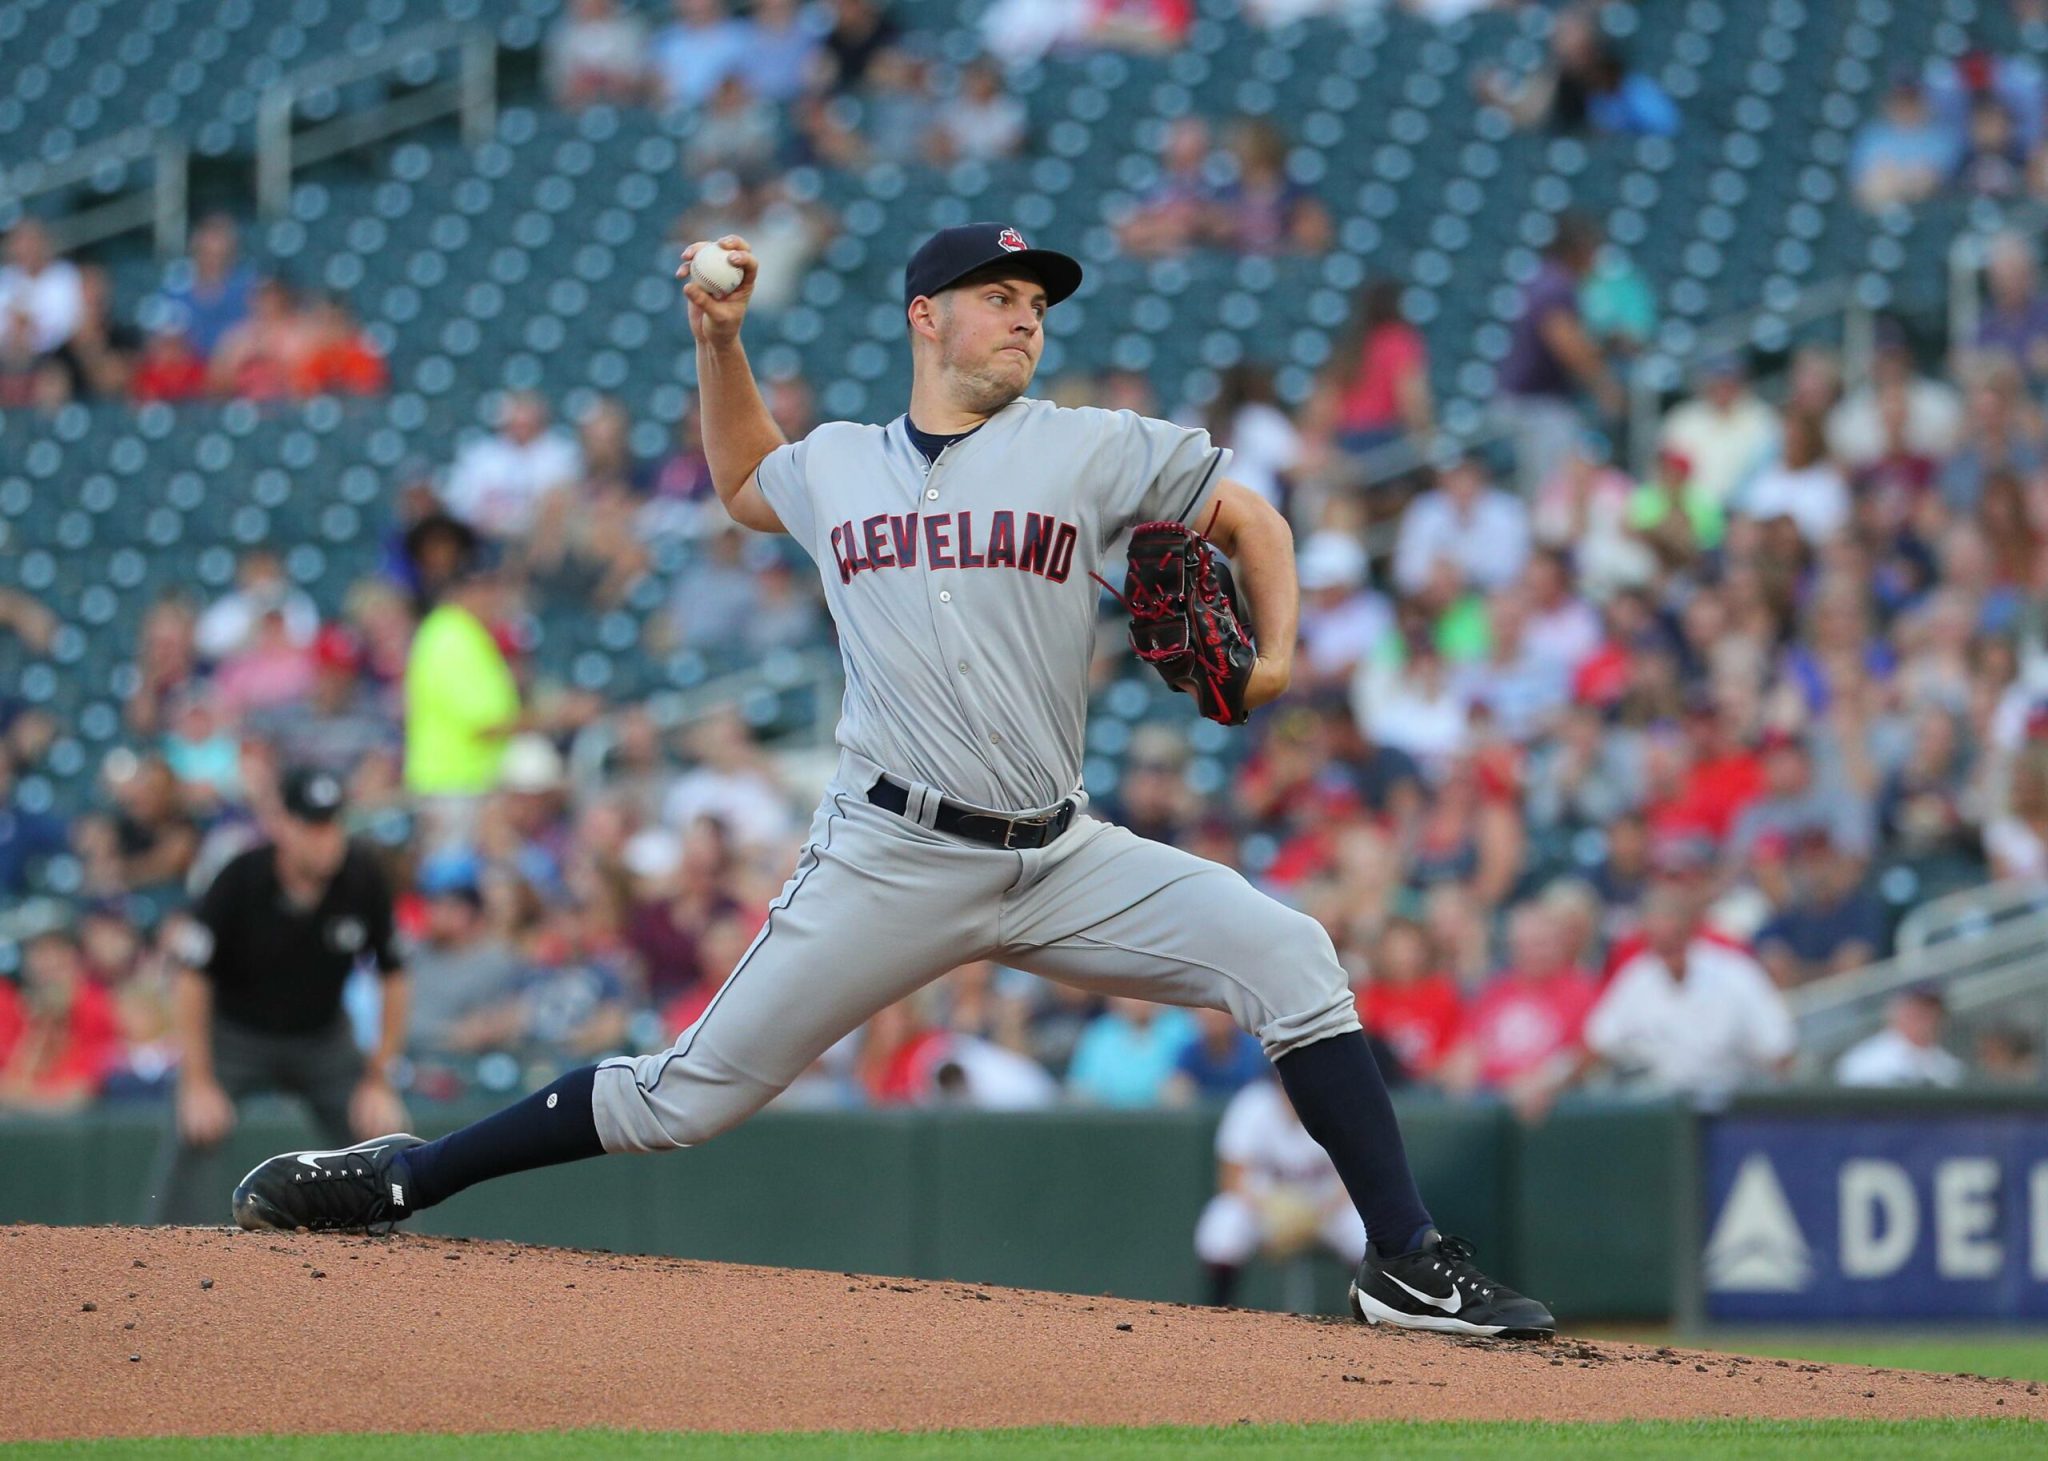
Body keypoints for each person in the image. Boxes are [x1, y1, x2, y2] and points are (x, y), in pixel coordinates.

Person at [231, 221, 1554, 1339]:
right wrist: (720, 342)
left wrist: (1269, 664)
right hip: (890, 855)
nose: (1026, 321)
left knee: (1292, 955)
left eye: (1037, 304)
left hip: (1057, 854)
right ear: (927, 317)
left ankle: (1401, 1256)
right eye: (1001, 298)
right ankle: (406, 1178)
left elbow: (1253, 517)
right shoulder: (838, 466)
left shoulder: (1090, 446)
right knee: (683, 1098)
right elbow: (746, 476)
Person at [147, 769, 411, 1224]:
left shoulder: (362, 876)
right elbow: (192, 979)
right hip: (236, 1037)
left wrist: (379, 1076)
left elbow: (395, 976)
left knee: (385, 1140)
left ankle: (407, 1269)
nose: (326, 839)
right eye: (312, 825)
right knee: (197, 1128)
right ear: (282, 825)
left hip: (323, 1039)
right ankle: (157, 1263)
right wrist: (198, 1080)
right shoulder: (239, 878)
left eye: (332, 824)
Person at [1583, 879, 1795, 1105]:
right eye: (1659, 940)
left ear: (1692, 930)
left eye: (1675, 936)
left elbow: (1780, 1049)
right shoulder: (1637, 977)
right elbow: (1598, 1042)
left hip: (1732, 1107)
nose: (1668, 948)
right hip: (1665, 1109)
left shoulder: (1736, 974)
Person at [1194, 1077, 1365, 1308]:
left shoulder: (1337, 1103)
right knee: (1224, 1221)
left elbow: (1358, 1175)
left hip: (1324, 1211)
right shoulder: (1253, 1104)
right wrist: (1271, 1212)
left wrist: (1318, 1212)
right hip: (1263, 1209)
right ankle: (1217, 1310)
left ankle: (1367, 1313)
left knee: (1363, 1231)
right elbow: (1230, 1177)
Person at [1496, 213, 1623, 495]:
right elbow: (1565, 342)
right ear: (1577, 249)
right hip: (1538, 407)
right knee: (1551, 491)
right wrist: (1605, 386)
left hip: (1527, 401)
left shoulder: (1542, 278)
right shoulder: (1556, 283)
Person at [1835, 987, 1964, 1088]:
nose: (1927, 1020)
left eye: (1932, 1011)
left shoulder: (1949, 1066)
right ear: (1896, 1013)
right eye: (1917, 1012)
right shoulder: (1864, 1060)